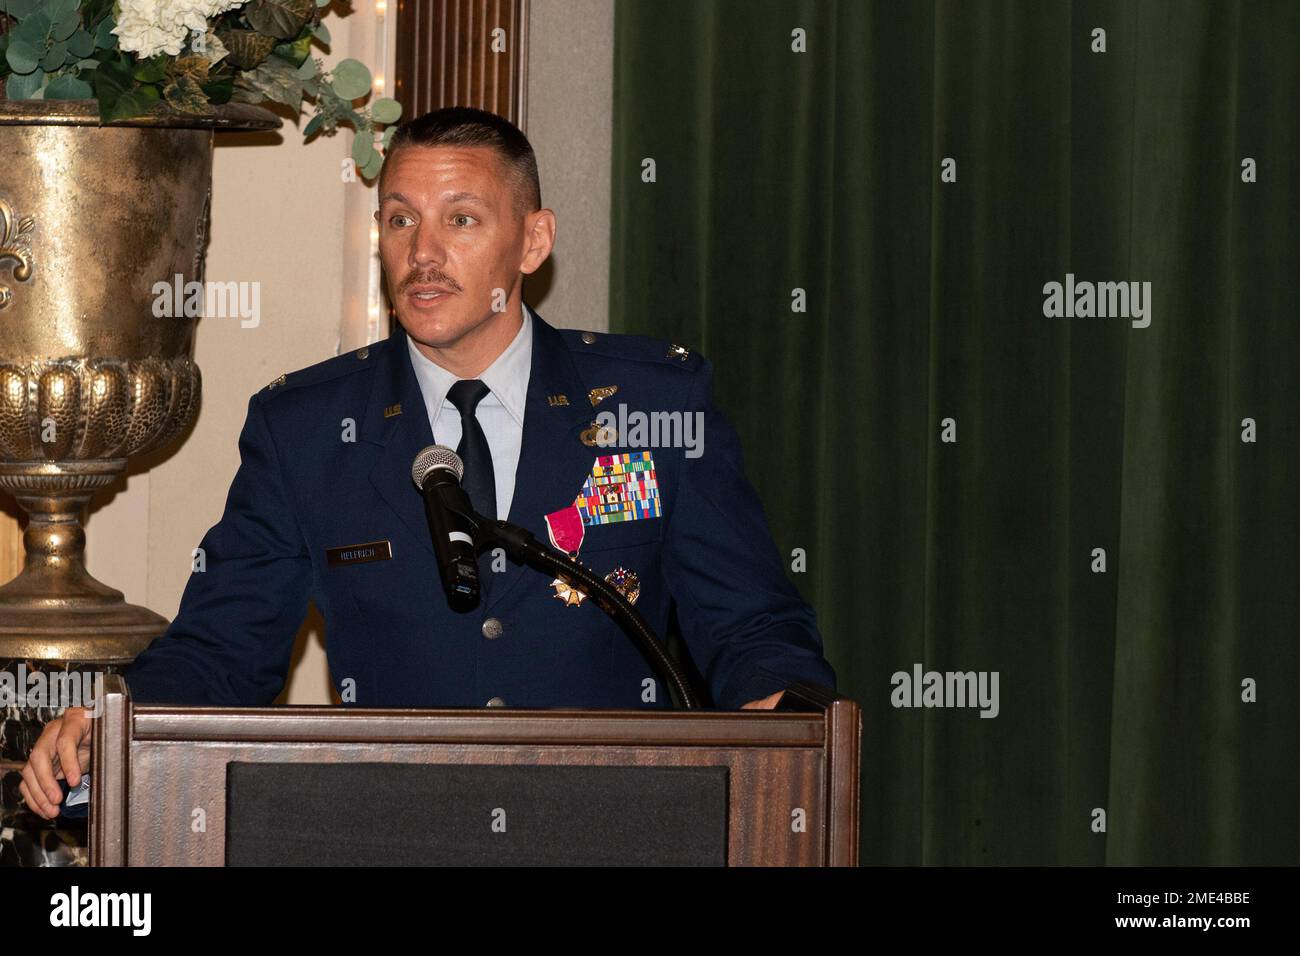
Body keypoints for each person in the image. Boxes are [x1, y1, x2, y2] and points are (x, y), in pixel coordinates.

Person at [20, 107, 835, 820]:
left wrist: (789, 704)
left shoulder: (654, 407)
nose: (423, 253)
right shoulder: (306, 428)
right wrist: (117, 721)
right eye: (400, 220)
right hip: (392, 828)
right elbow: (223, 647)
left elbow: (754, 621)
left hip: (611, 820)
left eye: (462, 220)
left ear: (533, 240)